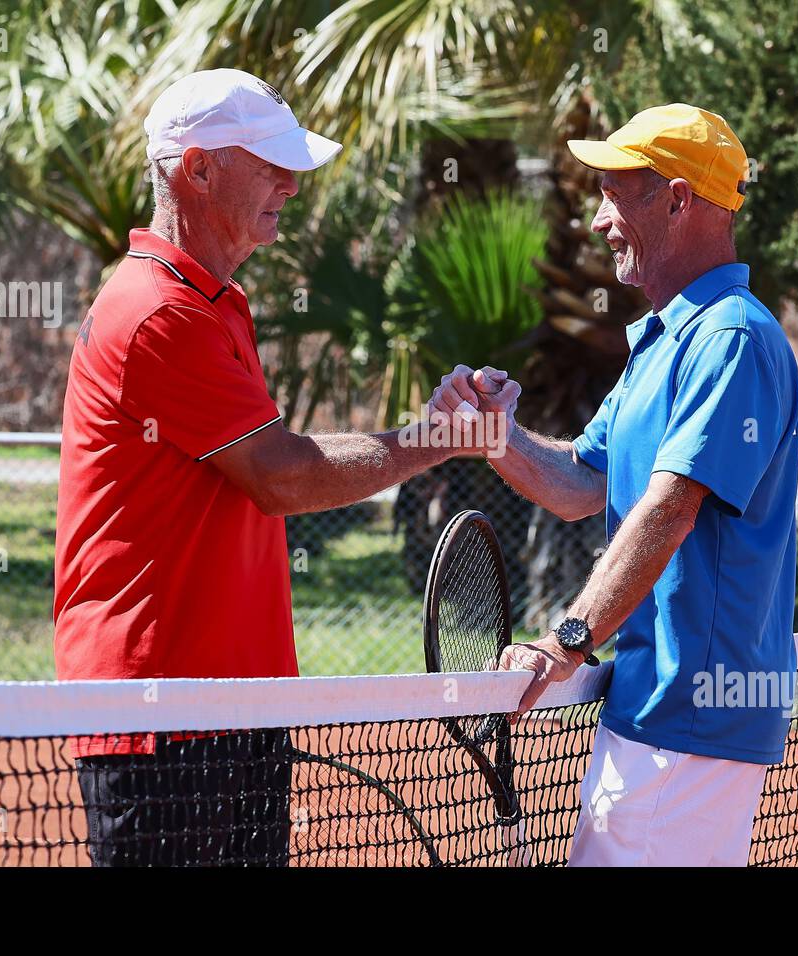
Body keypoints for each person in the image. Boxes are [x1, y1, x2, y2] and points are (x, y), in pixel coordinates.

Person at [54, 69, 499, 866]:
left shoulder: (209, 302)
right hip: (166, 719)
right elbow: (283, 476)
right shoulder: (163, 313)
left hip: (227, 710)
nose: (292, 186)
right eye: (270, 164)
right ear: (197, 169)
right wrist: (439, 437)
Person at [430, 104, 798, 866]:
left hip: (687, 719)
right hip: (657, 714)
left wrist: (568, 640)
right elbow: (579, 481)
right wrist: (494, 435)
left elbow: (669, 510)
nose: (599, 221)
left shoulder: (729, 335)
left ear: (676, 199)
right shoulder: (669, 337)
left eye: (613, 194)